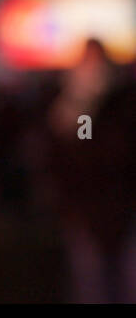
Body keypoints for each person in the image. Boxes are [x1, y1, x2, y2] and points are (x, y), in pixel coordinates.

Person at [44, 39, 136, 302]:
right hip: (83, 212)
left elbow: (120, 154)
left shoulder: (123, 102)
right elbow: (60, 159)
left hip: (124, 209)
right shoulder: (64, 107)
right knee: (91, 284)